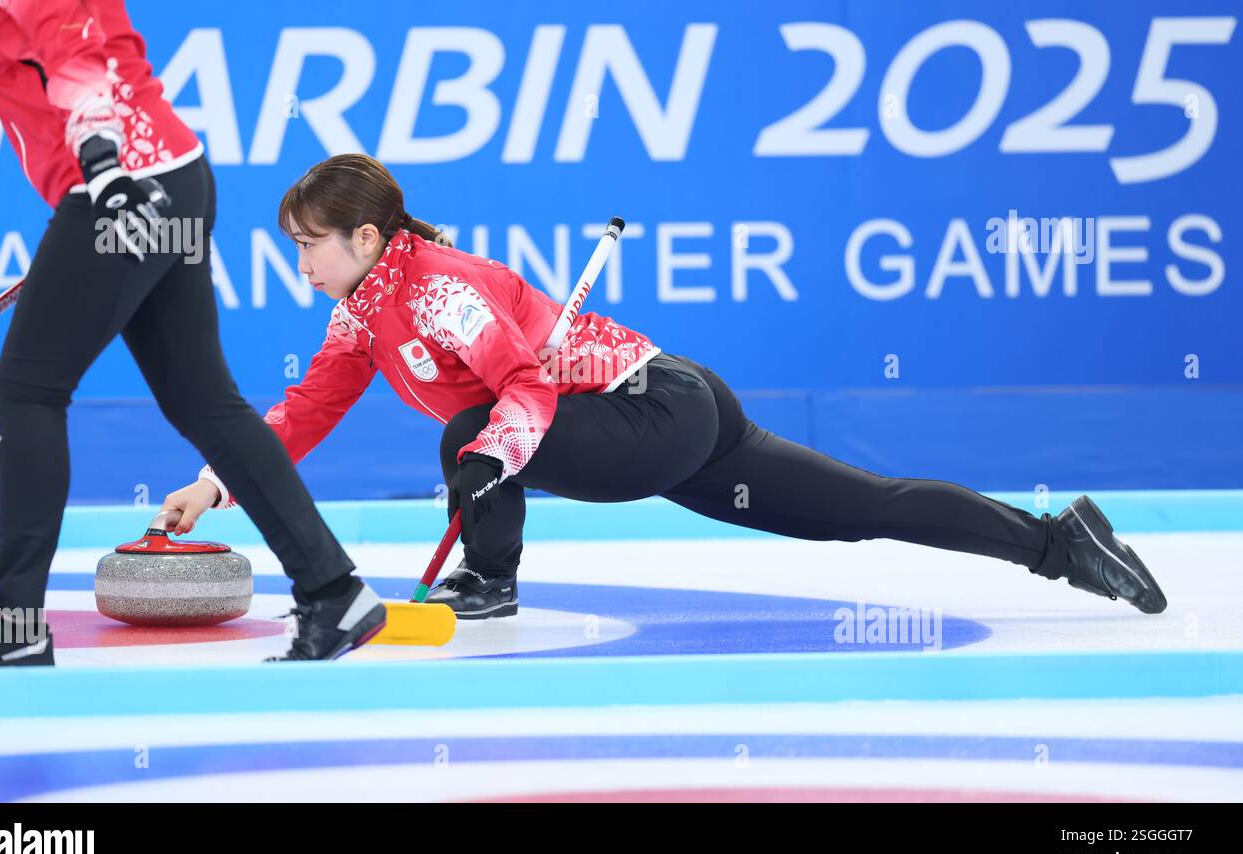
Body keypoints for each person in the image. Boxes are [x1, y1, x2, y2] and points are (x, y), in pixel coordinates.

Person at [162, 152, 1169, 622]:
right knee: (862, 510)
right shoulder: (360, 313)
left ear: (366, 237)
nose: (297, 261)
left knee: (474, 427)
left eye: (307, 244)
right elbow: (302, 412)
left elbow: (521, 389)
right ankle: (1057, 543)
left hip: (654, 412)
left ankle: (490, 579)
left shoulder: (444, 292)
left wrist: (486, 465)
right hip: (678, 423)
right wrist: (214, 485)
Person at [0, 0, 384, 667]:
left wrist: (105, 172)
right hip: (171, 178)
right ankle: (334, 591)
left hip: (119, 189)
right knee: (204, 402)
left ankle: (13, 620)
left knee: (28, 387)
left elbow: (70, 41)